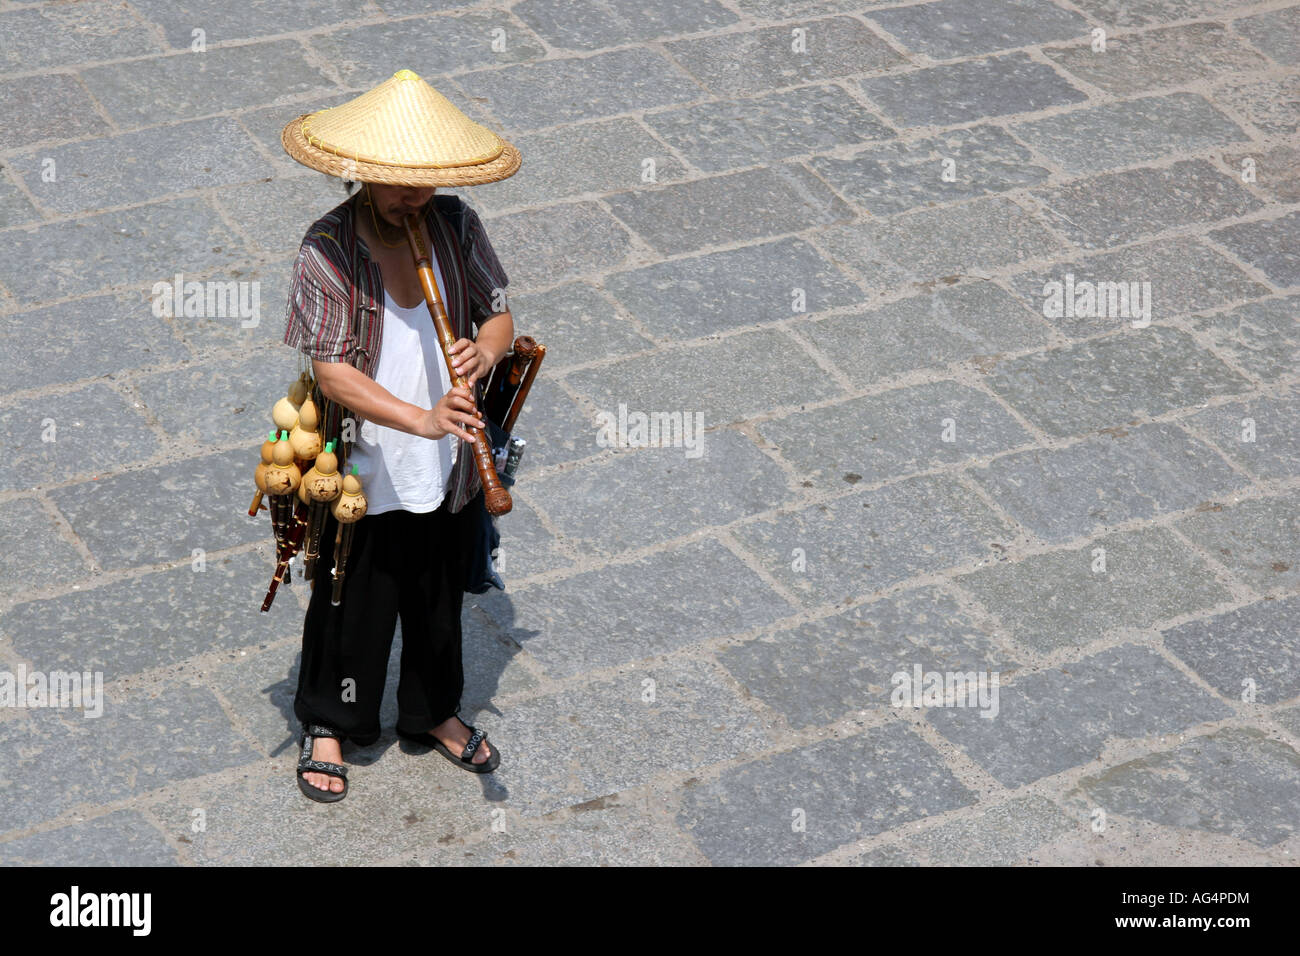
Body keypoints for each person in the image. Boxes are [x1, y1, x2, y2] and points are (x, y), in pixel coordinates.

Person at [277, 69, 523, 802]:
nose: (411, 198)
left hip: (448, 460)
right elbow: (331, 370)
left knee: (436, 593)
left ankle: (433, 712)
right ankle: (330, 720)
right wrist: (417, 417)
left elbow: (500, 312)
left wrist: (487, 348)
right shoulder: (326, 246)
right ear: (364, 176)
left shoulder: (455, 223)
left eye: (422, 183)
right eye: (397, 185)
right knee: (349, 593)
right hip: (362, 455)